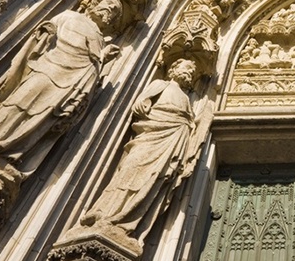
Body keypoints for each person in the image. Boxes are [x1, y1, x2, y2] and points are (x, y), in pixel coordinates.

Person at [0, 0, 122, 175]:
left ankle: (12, 149)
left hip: (74, 79)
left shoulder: (99, 39)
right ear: (94, 3)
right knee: (21, 99)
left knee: (45, 114)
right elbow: (48, 31)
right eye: (108, 4)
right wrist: (46, 32)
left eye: (114, 10)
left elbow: (92, 65)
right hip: (51, 65)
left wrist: (103, 57)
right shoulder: (70, 16)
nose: (110, 9)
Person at [79, 59, 212, 246]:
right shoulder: (161, 85)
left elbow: (189, 123)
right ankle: (106, 211)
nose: (190, 72)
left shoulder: (186, 99)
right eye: (187, 67)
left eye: (192, 70)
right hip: (152, 135)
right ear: (173, 68)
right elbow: (140, 105)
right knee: (130, 170)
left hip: (174, 140)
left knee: (154, 180)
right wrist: (143, 103)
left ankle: (126, 222)